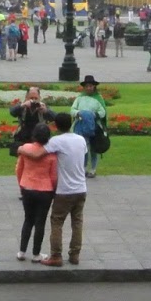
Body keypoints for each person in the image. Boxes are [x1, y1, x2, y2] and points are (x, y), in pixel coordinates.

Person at [40, 112, 88, 267]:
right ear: (71, 124)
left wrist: (22, 149)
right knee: (77, 222)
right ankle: (75, 255)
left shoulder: (56, 141)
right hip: (81, 188)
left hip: (64, 190)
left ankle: (55, 256)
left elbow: (40, 153)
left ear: (55, 125)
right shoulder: (80, 140)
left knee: (57, 221)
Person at [15, 126, 57, 261]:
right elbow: (54, 176)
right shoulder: (51, 154)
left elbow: (19, 169)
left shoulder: (25, 148)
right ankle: (36, 254)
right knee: (40, 222)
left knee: (28, 219)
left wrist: (21, 185)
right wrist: (54, 190)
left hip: (27, 187)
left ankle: (21, 251)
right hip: (45, 190)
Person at [71, 75, 108, 179]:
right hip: (82, 127)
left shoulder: (98, 99)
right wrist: (79, 113)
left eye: (90, 86)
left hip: (94, 127)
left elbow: (103, 112)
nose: (89, 88)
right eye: (87, 86)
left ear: (94, 87)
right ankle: (83, 169)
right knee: (84, 148)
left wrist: (93, 115)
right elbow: (72, 110)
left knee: (93, 148)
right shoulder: (79, 98)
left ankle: (93, 169)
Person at [9, 87, 54, 158]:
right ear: (26, 97)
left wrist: (46, 111)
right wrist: (23, 105)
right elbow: (12, 112)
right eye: (31, 98)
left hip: (39, 137)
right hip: (24, 136)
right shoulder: (22, 105)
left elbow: (54, 117)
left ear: (39, 97)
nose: (33, 100)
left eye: (36, 98)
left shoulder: (42, 106)